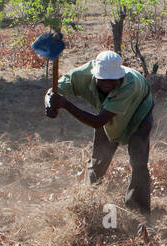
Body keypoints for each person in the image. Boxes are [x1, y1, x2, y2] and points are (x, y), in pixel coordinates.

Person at [45, 50, 155, 216]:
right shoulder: (81, 75)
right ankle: (87, 202)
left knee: (138, 162)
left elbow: (98, 121)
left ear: (119, 77)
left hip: (138, 114)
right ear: (95, 74)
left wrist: (66, 105)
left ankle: (139, 212)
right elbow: (52, 92)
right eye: (103, 80)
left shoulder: (129, 86)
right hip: (107, 115)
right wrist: (49, 105)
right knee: (98, 161)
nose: (108, 84)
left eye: (112, 81)